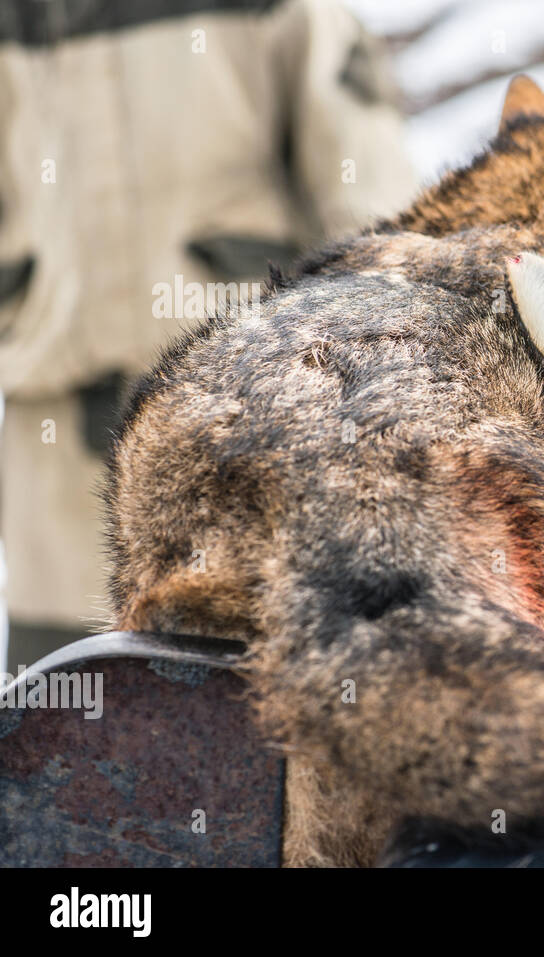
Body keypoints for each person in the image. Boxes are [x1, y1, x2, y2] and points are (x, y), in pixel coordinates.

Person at [0, 0, 417, 666]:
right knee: (60, 727)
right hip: (52, 484)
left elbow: (376, 220)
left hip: (254, 451)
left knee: (257, 726)